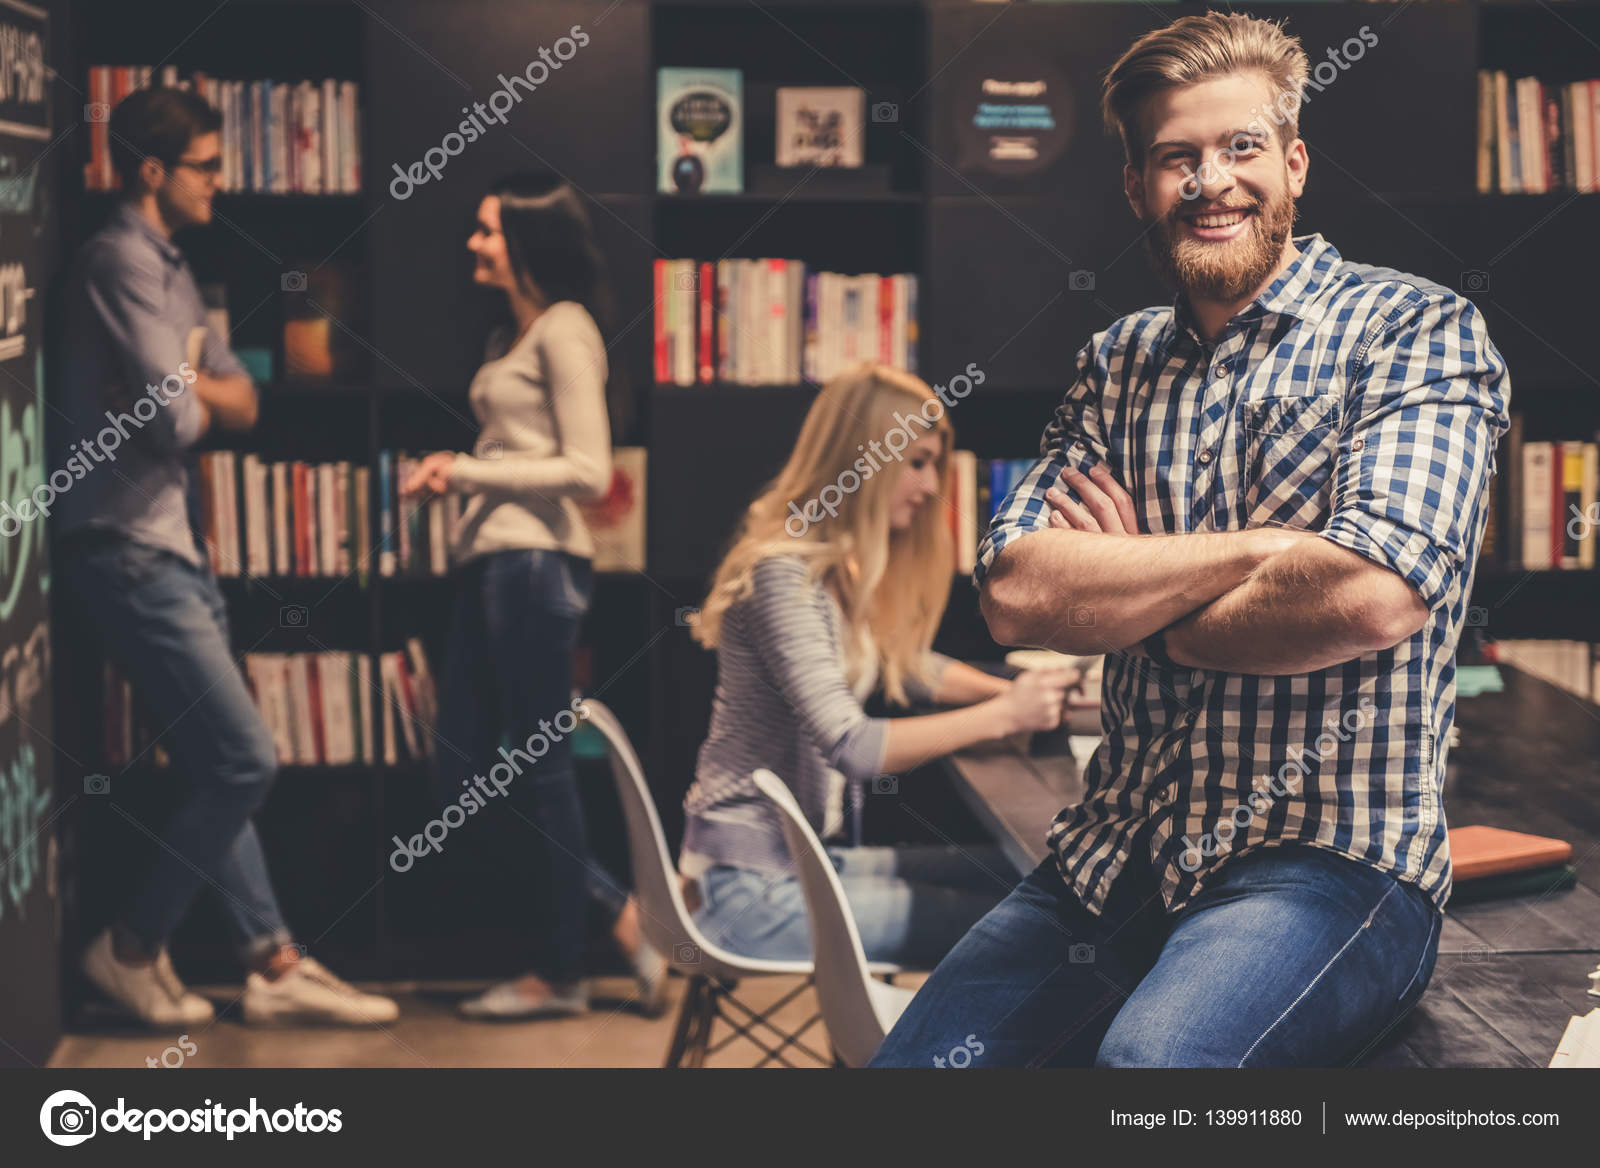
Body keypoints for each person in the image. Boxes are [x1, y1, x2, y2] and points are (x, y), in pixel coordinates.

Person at [871, 11, 1512, 1068]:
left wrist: (1136, 613)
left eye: (1241, 148)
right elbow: (1018, 592)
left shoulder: (1414, 330)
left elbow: (1371, 596)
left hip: (1332, 867)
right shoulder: (1114, 361)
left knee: (1150, 1074)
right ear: (1136, 185)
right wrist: (1271, 548)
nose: (1210, 181)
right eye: (1177, 157)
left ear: (1294, 163)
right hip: (1111, 857)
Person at [54, 87, 398, 1027]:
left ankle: (270, 958)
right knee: (245, 758)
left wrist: (193, 372)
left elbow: (245, 398)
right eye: (207, 165)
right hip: (124, 545)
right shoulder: (117, 260)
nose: (222, 181)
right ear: (152, 170)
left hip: (176, 544)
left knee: (217, 761)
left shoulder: (174, 266)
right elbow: (176, 421)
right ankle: (128, 947)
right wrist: (194, 378)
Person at [679, 362, 1082, 969]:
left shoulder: (829, 569)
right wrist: (1005, 713)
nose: (929, 487)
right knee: (1037, 928)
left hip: (797, 864)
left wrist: (1017, 685)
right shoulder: (784, 575)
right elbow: (855, 746)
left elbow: (902, 661)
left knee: (1029, 882)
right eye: (916, 462)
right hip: (750, 892)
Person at [400, 174, 663, 1020]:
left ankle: (565, 970)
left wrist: (465, 468)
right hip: (497, 567)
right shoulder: (514, 333)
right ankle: (614, 916)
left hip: (536, 568)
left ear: (523, 239)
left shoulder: (565, 328)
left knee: (539, 772)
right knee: (464, 779)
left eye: (487, 230)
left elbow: (591, 471)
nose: (473, 245)